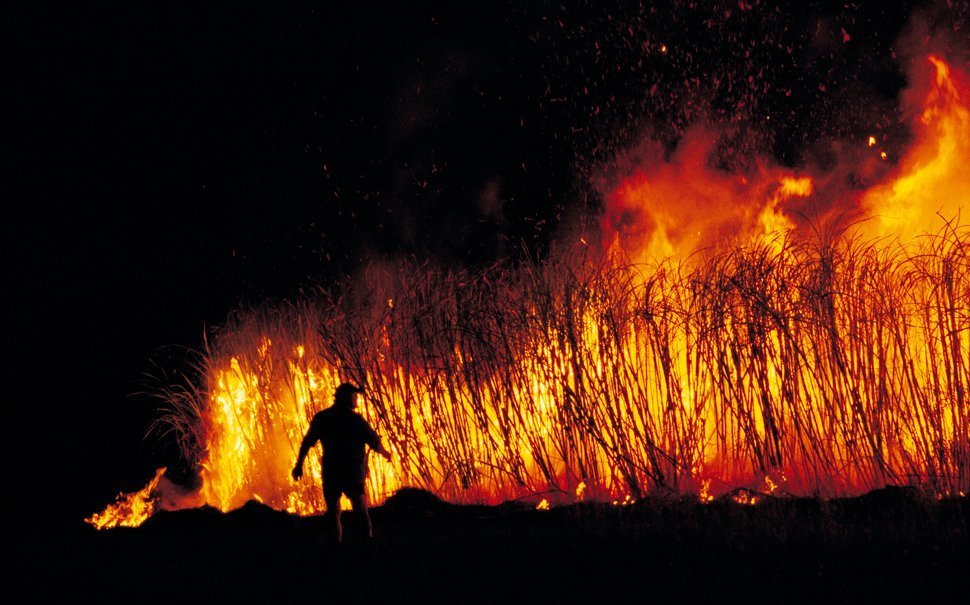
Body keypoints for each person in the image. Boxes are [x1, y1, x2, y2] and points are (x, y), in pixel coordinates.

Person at [292, 382, 392, 543]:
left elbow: (307, 442)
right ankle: (367, 544)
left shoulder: (323, 417)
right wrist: (386, 454)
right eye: (354, 396)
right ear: (347, 398)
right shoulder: (356, 420)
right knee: (360, 510)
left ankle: (336, 546)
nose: (357, 399)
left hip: (331, 472)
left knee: (333, 512)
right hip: (352, 472)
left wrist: (299, 465)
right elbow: (374, 442)